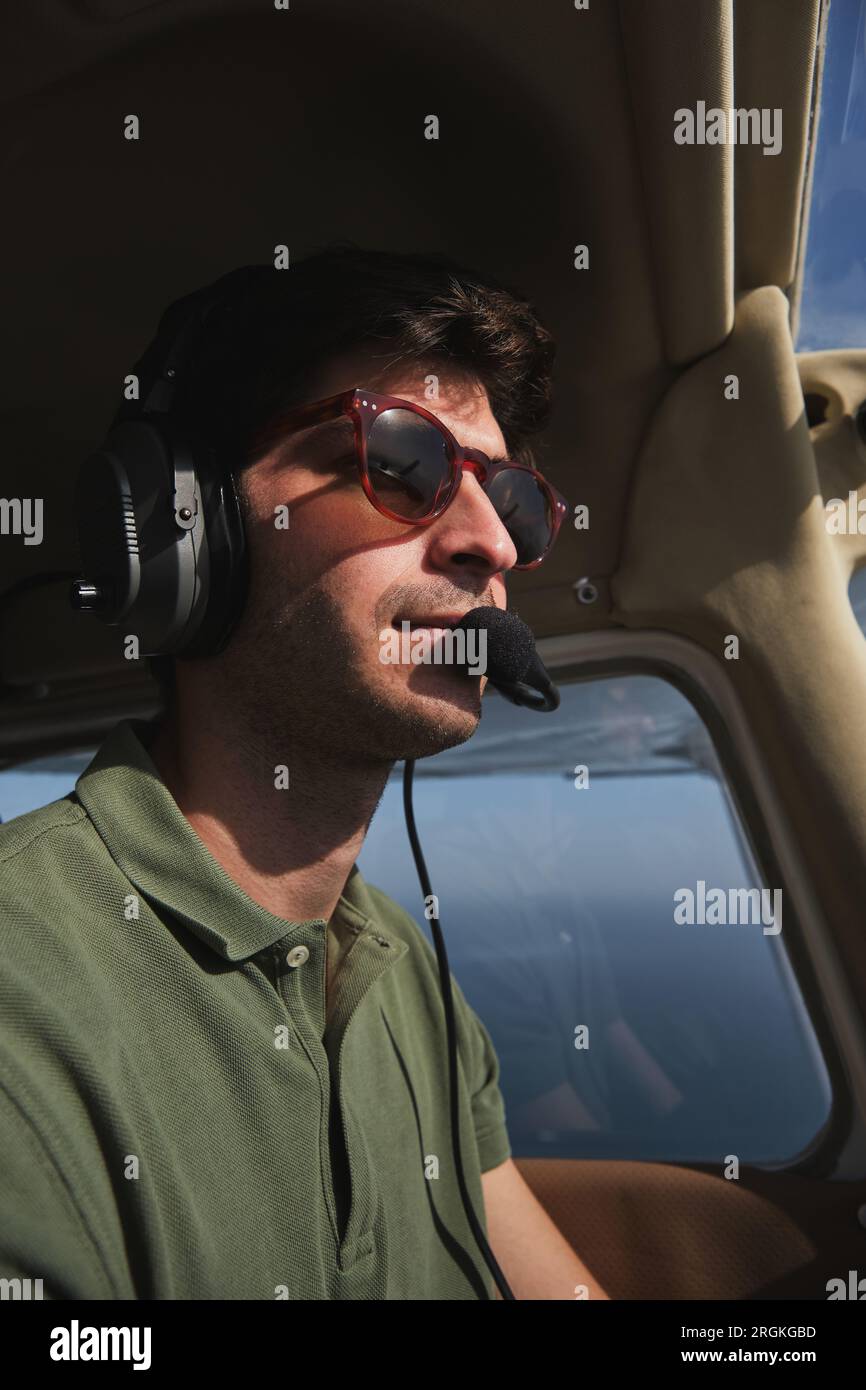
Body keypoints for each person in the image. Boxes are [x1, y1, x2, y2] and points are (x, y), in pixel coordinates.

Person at [0, 243, 609, 1300]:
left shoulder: (406, 976)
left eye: (510, 502)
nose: (491, 547)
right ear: (190, 527)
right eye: (402, 462)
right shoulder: (25, 986)